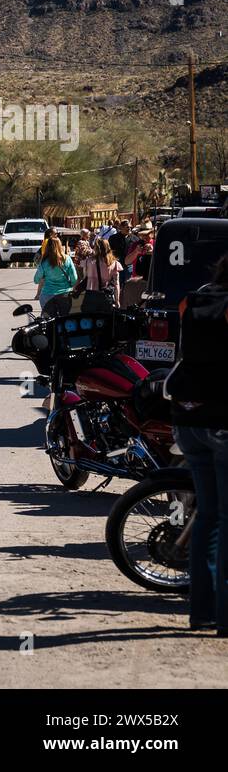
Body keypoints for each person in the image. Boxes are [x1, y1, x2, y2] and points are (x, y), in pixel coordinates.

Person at [165, 253, 228, 634]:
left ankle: (201, 611)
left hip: (187, 419)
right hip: (222, 420)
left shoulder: (198, 297)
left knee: (208, 514)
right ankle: (224, 616)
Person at [34, 235, 78, 317]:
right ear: (60, 245)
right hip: (65, 294)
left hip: (47, 295)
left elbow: (36, 280)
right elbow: (74, 278)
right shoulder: (67, 259)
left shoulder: (44, 262)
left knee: (48, 319)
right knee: (65, 318)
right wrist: (70, 285)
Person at [109, 219, 133, 283]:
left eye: (130, 227)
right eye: (127, 227)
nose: (129, 229)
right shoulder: (113, 238)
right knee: (117, 284)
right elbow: (109, 252)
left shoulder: (134, 239)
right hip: (117, 265)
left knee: (128, 285)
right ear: (121, 227)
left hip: (129, 266)